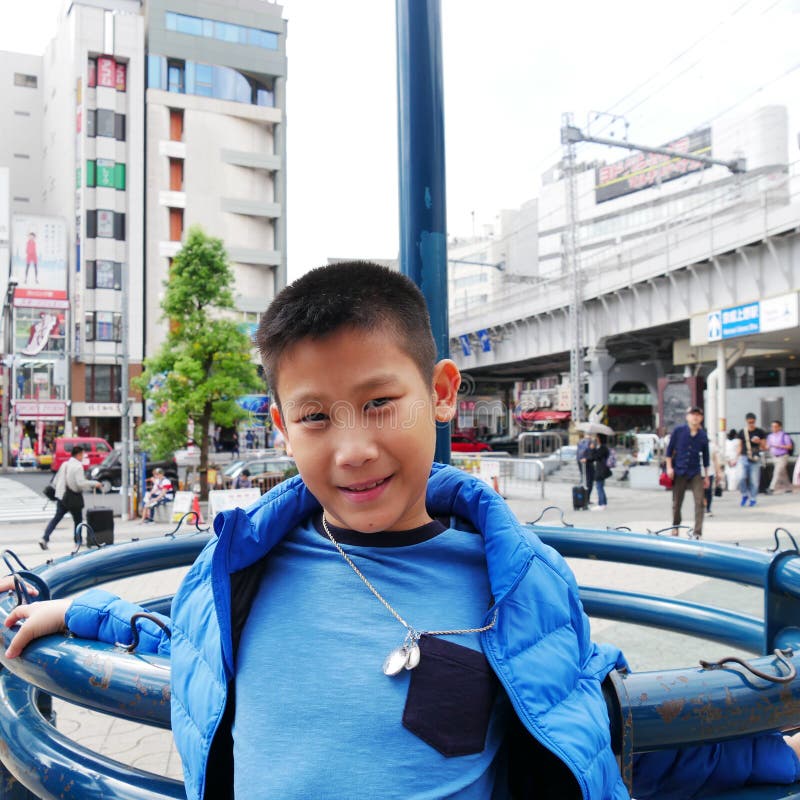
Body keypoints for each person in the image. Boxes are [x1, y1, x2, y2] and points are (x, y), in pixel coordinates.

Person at [6, 262, 800, 800]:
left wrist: (765, 737)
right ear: (282, 425)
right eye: (316, 417)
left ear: (442, 391)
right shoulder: (241, 570)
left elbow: (589, 710)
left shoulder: (515, 582)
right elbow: (184, 640)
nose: (353, 448)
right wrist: (77, 615)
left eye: (381, 402)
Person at [39, 444, 101, 550]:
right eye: (82, 454)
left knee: (56, 518)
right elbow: (80, 483)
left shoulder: (65, 464)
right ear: (79, 454)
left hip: (61, 495)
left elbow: (56, 479)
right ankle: (78, 541)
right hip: (73, 497)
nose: (83, 457)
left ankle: (44, 538)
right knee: (78, 520)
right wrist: (94, 483)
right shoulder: (77, 466)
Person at [665, 406, 710, 539]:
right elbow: (669, 451)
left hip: (695, 471)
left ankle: (697, 532)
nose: (695, 417)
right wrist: (669, 467)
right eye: (692, 414)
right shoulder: (679, 431)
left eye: (698, 415)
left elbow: (706, 457)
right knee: (677, 502)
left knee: (699, 502)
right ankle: (675, 526)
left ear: (701, 418)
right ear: (687, 416)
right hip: (679, 470)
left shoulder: (702, 435)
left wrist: (706, 476)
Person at [739, 412, 767, 507]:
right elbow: (739, 446)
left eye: (753, 422)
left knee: (754, 480)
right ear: (746, 421)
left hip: (755, 458)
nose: (751, 424)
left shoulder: (760, 432)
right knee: (741, 477)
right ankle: (744, 494)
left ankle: (753, 498)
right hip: (744, 456)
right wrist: (735, 458)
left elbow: (764, 447)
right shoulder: (742, 432)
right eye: (749, 422)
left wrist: (759, 442)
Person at [766, 420, 794, 494]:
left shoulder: (784, 435)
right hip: (774, 456)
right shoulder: (770, 436)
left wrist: (779, 446)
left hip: (783, 456)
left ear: (779, 427)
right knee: (783, 473)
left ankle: (771, 488)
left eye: (775, 426)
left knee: (777, 472)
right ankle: (788, 487)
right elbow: (767, 446)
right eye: (772, 426)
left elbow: (789, 446)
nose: (774, 428)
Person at [588, 433, 611, 511]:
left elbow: (595, 457)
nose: (596, 439)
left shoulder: (603, 448)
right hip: (601, 469)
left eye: (597, 437)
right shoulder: (603, 447)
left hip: (601, 470)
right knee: (600, 486)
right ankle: (603, 503)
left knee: (599, 487)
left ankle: (601, 504)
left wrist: (592, 449)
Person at [704, 436, 723, 517]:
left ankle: (707, 508)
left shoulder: (712, 446)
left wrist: (718, 472)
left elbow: (715, 460)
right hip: (699, 472)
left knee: (708, 491)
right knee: (703, 492)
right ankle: (704, 508)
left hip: (710, 471)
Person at [724, 428, 742, 494]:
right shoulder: (737, 441)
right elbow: (739, 451)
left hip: (729, 460)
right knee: (735, 475)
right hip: (735, 460)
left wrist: (728, 460)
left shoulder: (726, 442)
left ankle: (731, 487)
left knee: (730, 475)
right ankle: (734, 487)